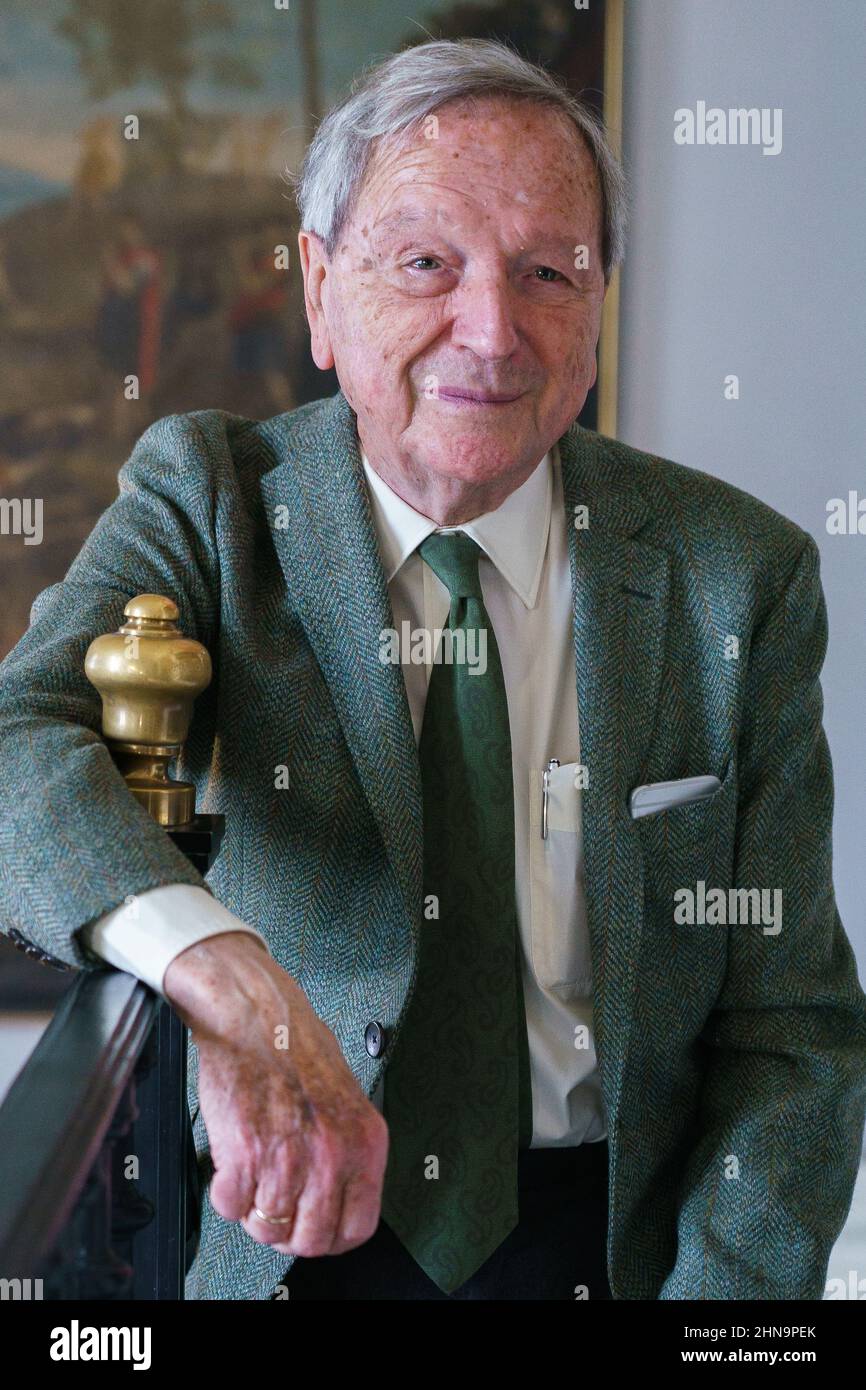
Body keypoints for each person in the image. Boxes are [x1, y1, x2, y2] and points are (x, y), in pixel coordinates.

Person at [1, 38, 865, 1303]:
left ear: (597, 298)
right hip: (281, 1242)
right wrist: (224, 976)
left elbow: (790, 1033)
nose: (490, 329)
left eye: (545, 273)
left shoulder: (734, 575)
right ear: (317, 290)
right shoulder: (212, 498)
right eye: (424, 264)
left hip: (612, 1245)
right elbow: (20, 735)